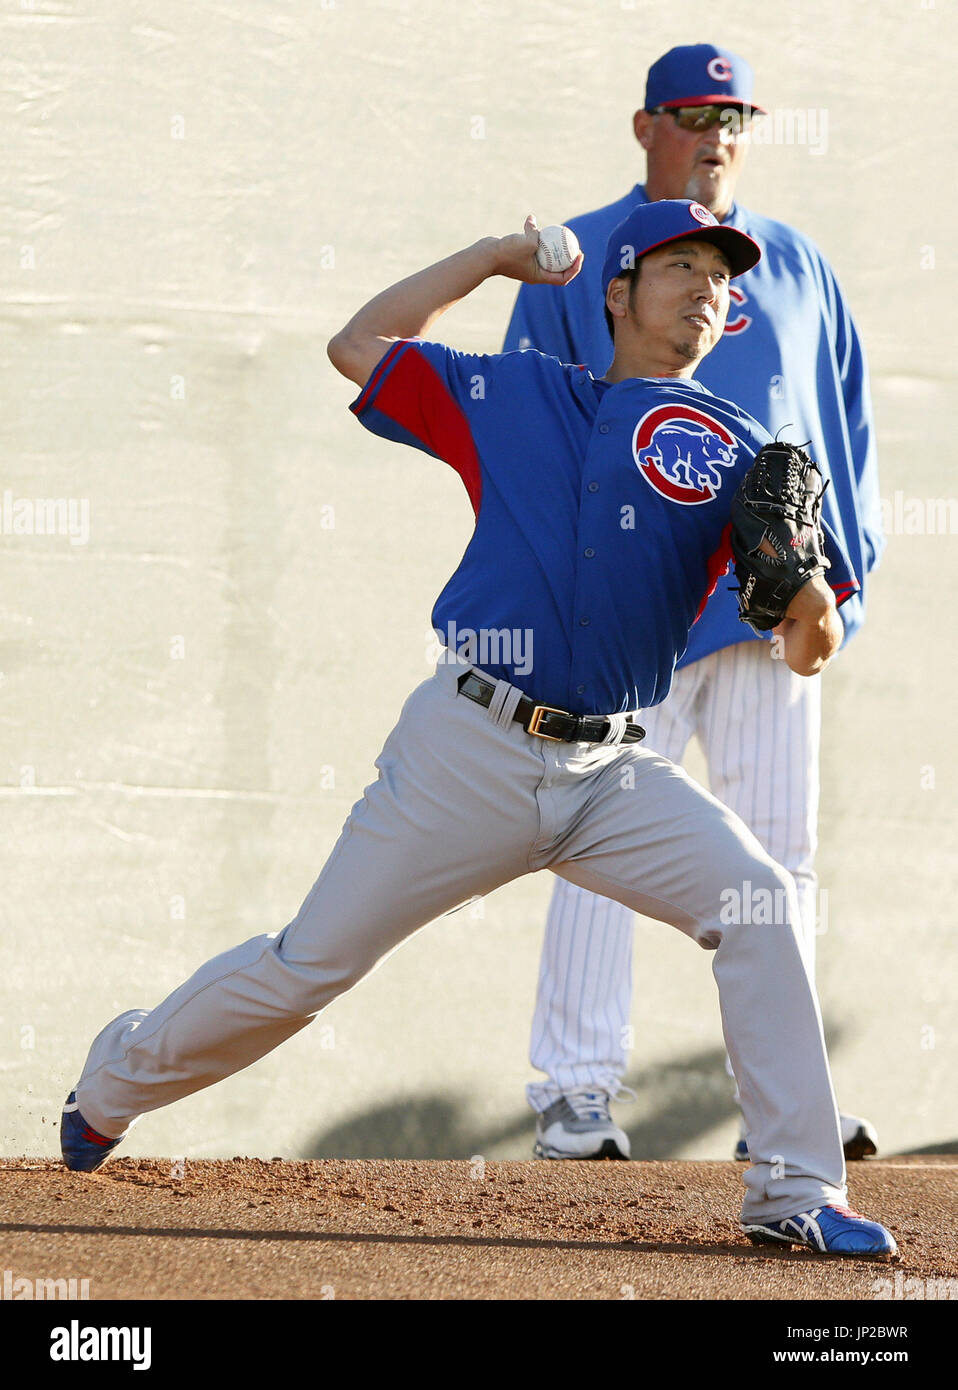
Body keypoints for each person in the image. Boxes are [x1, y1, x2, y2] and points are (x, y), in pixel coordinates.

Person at [60, 197, 896, 1257]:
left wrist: (804, 590)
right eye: (678, 265)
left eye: (720, 277)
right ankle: (112, 1084)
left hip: (610, 772)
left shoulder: (739, 454)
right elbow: (354, 345)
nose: (704, 288)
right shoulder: (519, 394)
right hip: (470, 749)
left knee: (759, 903)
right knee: (308, 964)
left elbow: (808, 649)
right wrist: (494, 257)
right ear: (616, 292)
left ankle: (794, 1190)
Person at [504, 43, 883, 1166]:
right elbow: (534, 426)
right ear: (643, 126)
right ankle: (574, 1096)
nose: (714, 131)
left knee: (778, 859)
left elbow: (839, 428)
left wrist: (841, 583)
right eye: (690, 111)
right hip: (629, 615)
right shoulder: (584, 259)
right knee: (595, 844)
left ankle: (787, 1103)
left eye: (734, 113)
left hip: (766, 613)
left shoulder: (799, 264)